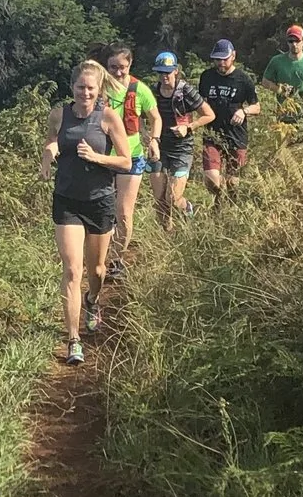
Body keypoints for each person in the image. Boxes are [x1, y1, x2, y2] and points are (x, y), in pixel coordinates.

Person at [41, 58, 132, 364]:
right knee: (71, 271)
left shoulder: (108, 118)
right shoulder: (59, 114)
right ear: (72, 87)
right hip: (67, 199)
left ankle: (93, 301)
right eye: (80, 87)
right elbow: (53, 139)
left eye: (91, 88)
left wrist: (96, 158)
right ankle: (73, 339)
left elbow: (126, 162)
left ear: (99, 89)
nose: (85, 93)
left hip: (100, 200)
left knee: (96, 270)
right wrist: (48, 153)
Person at [99, 43, 160, 280]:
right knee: (103, 210)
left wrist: (154, 140)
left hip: (131, 157)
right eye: (113, 67)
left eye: (122, 67)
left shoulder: (140, 90)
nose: (118, 72)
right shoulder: (99, 87)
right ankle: (98, 254)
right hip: (103, 156)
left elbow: (155, 118)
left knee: (124, 211)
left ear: (130, 64)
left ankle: (117, 260)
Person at [148, 50, 212, 229]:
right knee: (159, 198)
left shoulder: (185, 90)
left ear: (175, 70)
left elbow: (209, 114)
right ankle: (166, 233)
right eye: (160, 72)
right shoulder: (153, 91)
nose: (164, 76)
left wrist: (188, 127)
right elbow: (140, 111)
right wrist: (148, 136)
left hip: (182, 148)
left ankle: (188, 209)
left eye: (167, 72)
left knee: (173, 198)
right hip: (160, 146)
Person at [196, 38, 261, 204]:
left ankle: (229, 209)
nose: (221, 63)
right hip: (212, 134)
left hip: (236, 135)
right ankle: (219, 200)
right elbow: (200, 102)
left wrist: (243, 111)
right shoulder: (206, 77)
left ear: (233, 56)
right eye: (217, 59)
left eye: (224, 59)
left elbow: (257, 107)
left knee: (233, 183)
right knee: (211, 180)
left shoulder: (243, 79)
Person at [262, 24, 303, 102]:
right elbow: (265, 81)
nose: (294, 44)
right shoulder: (276, 61)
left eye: (297, 40)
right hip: (283, 108)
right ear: (287, 42)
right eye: (291, 41)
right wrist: (280, 91)